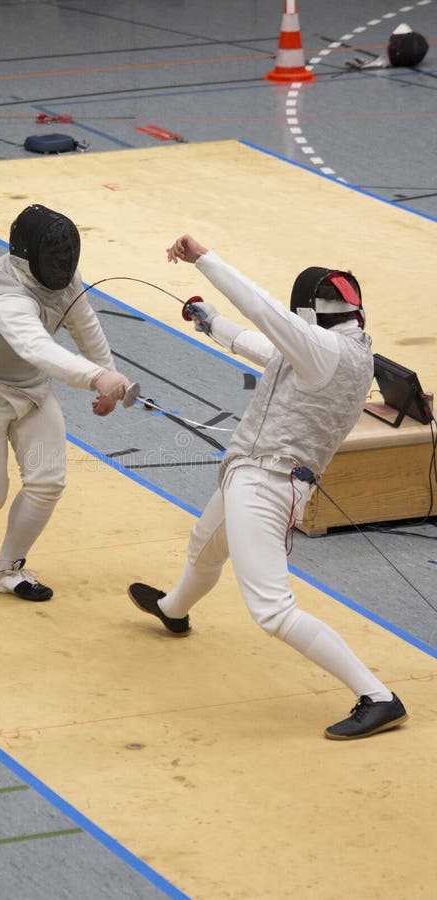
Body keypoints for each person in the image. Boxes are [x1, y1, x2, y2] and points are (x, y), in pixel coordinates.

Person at [128, 234, 408, 741]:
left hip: (267, 482)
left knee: (273, 610)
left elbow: (263, 311)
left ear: (310, 315)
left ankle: (378, 696)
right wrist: (211, 322)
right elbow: (261, 345)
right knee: (205, 546)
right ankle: (173, 611)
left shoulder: (324, 351)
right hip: (257, 475)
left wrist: (204, 260)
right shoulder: (340, 348)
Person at [0, 204, 131, 601]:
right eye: (53, 253)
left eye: (66, 252)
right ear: (27, 257)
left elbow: (84, 323)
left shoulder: (65, 279)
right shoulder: (5, 296)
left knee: (47, 482)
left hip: (32, 391)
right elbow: (36, 347)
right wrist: (95, 377)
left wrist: (106, 378)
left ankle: (6, 570)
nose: (62, 262)